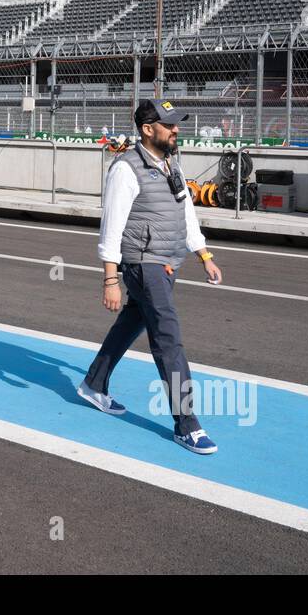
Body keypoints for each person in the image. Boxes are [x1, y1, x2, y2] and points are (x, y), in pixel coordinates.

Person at [79, 98, 223, 454]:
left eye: (176, 124)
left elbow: (186, 213)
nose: (176, 129)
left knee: (133, 321)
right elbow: (111, 228)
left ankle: (94, 383)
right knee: (168, 337)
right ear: (147, 129)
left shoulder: (171, 164)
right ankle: (187, 425)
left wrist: (203, 254)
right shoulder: (126, 169)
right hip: (143, 264)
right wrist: (110, 280)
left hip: (168, 261)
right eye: (169, 124)